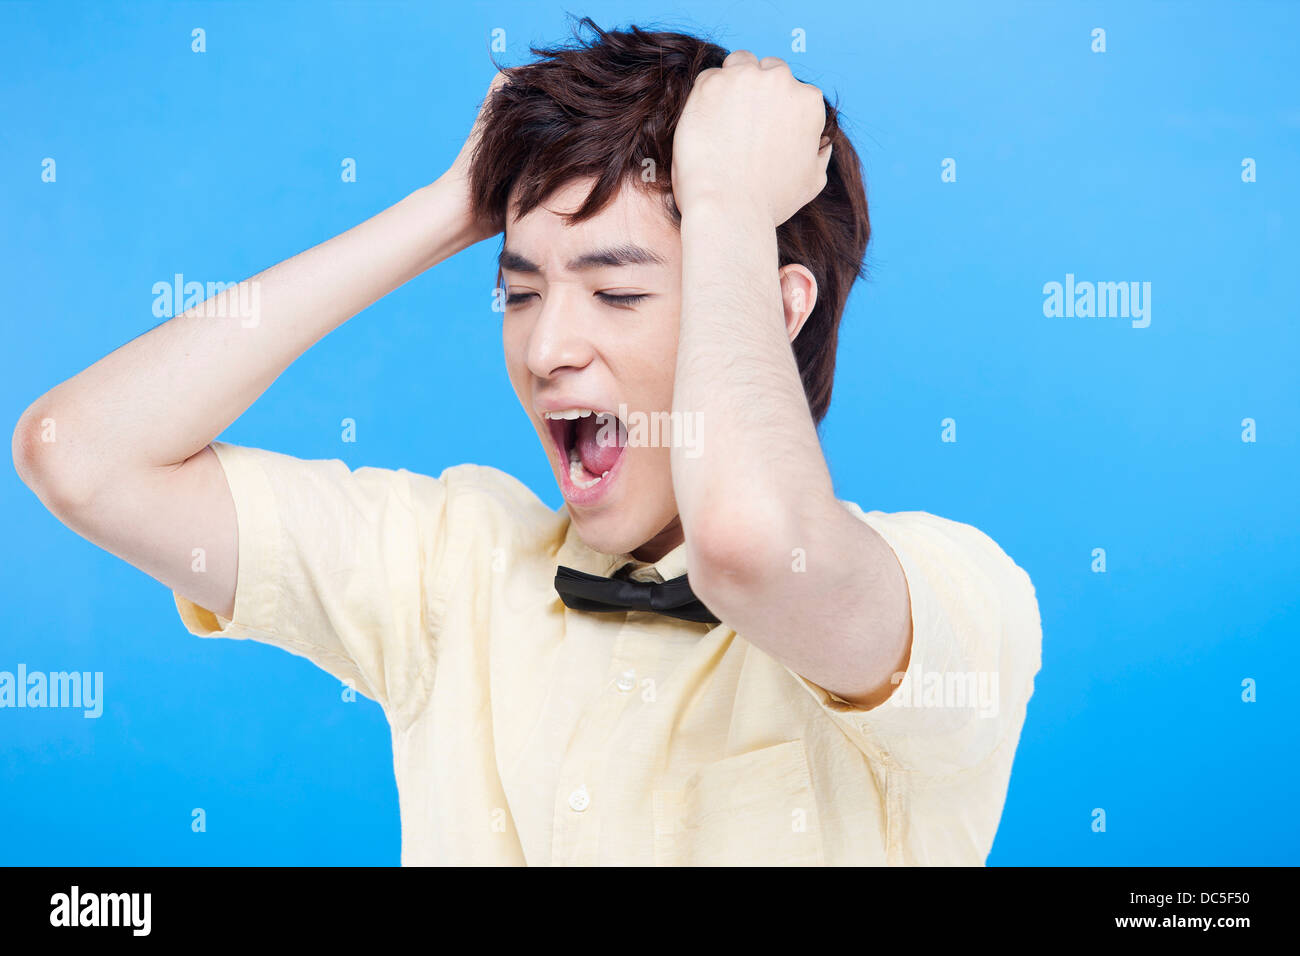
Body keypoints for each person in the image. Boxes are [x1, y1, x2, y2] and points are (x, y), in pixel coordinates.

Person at [12, 19, 1042, 865]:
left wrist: (728, 200)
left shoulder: (953, 594)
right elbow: (80, 452)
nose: (546, 346)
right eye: (517, 291)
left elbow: (752, 544)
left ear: (773, 308)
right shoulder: (452, 564)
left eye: (618, 289)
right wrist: (447, 206)